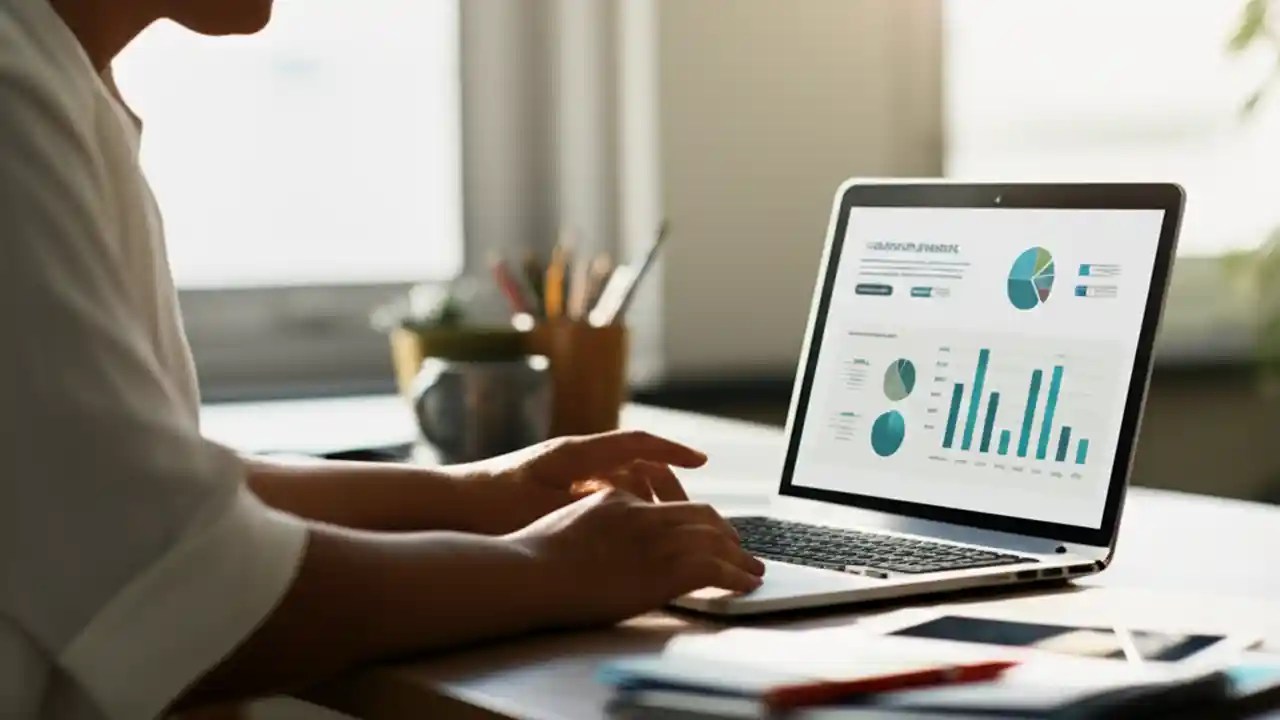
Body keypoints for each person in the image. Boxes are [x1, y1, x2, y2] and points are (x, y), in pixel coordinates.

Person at [0, 0, 766, 716]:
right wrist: (561, 568)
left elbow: (144, 489)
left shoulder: (57, 78)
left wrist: (474, 494)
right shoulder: (14, 96)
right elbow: (185, 586)